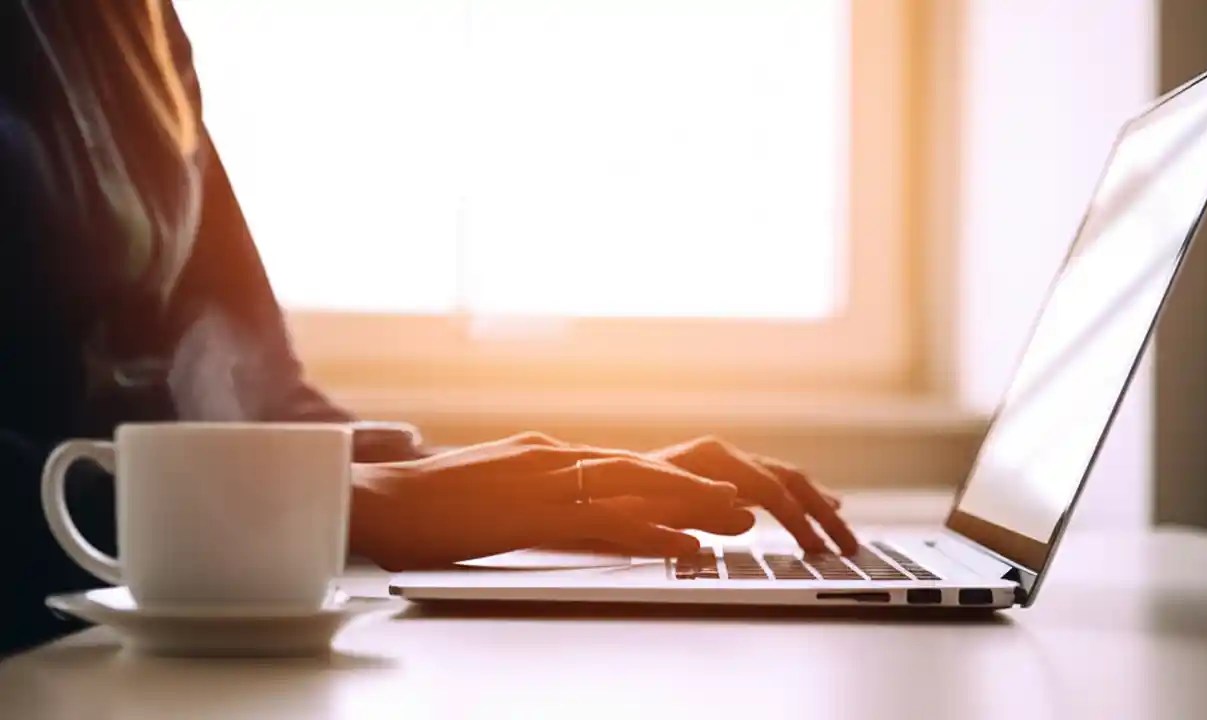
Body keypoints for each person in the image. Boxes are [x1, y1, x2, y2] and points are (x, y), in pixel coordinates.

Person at [0, 2, 858, 654]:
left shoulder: (134, 21)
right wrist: (347, 506)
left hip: (129, 646)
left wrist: (542, 486)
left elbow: (260, 391)